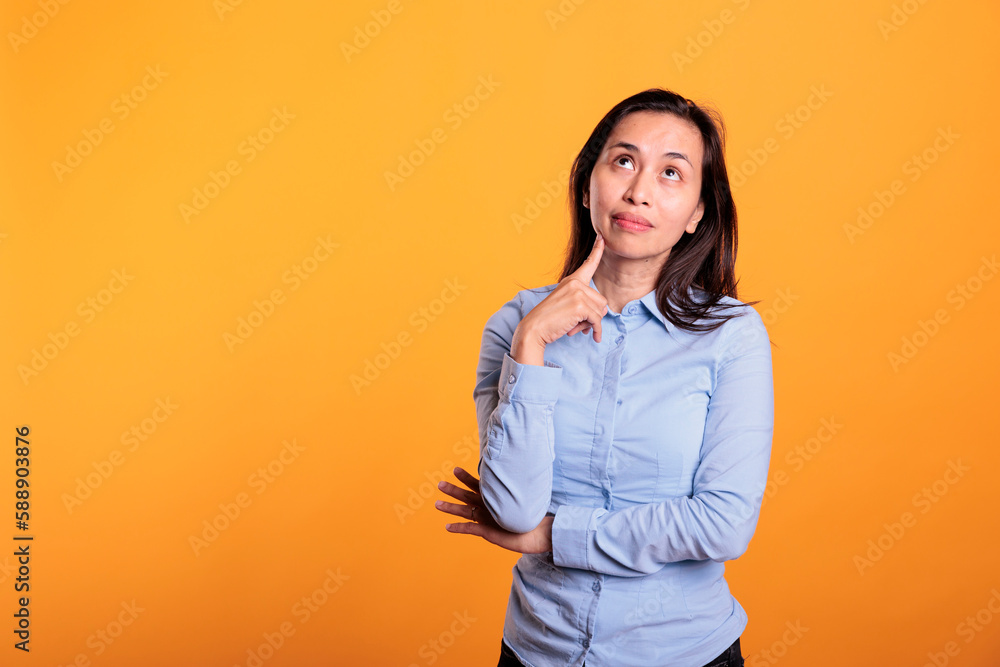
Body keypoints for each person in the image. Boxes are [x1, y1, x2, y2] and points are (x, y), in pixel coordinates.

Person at [435, 88, 774, 667]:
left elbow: (723, 524)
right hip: (537, 651)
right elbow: (514, 510)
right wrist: (532, 348)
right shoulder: (517, 324)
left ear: (697, 213)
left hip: (686, 654)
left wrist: (553, 537)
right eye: (623, 161)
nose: (639, 190)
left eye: (672, 173)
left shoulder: (733, 335)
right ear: (587, 182)